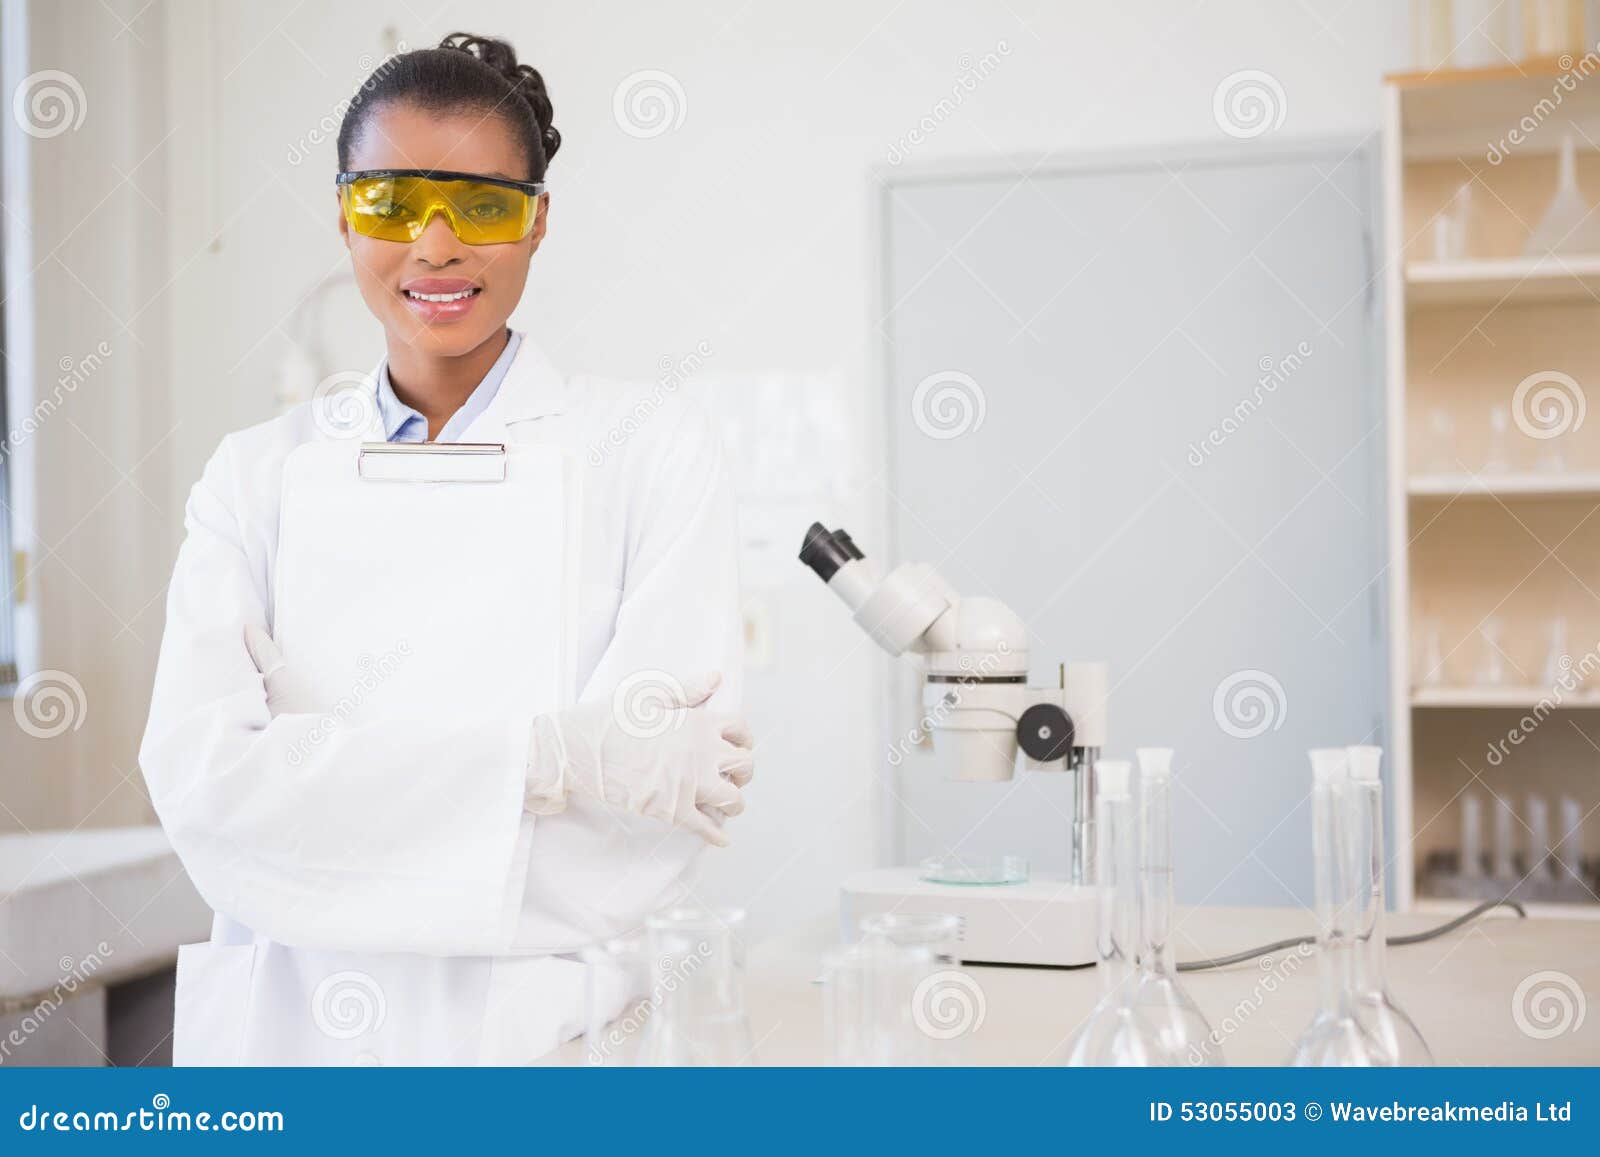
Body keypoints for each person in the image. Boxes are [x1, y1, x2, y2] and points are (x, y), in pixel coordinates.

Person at [139, 33, 754, 1065]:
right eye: (389, 202)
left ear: (537, 222)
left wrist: (326, 793)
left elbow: (638, 837)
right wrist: (546, 759)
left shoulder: (645, 449)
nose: (433, 245)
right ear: (343, 214)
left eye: (482, 205)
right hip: (289, 1031)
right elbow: (208, 789)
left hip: (543, 1030)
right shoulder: (255, 476)